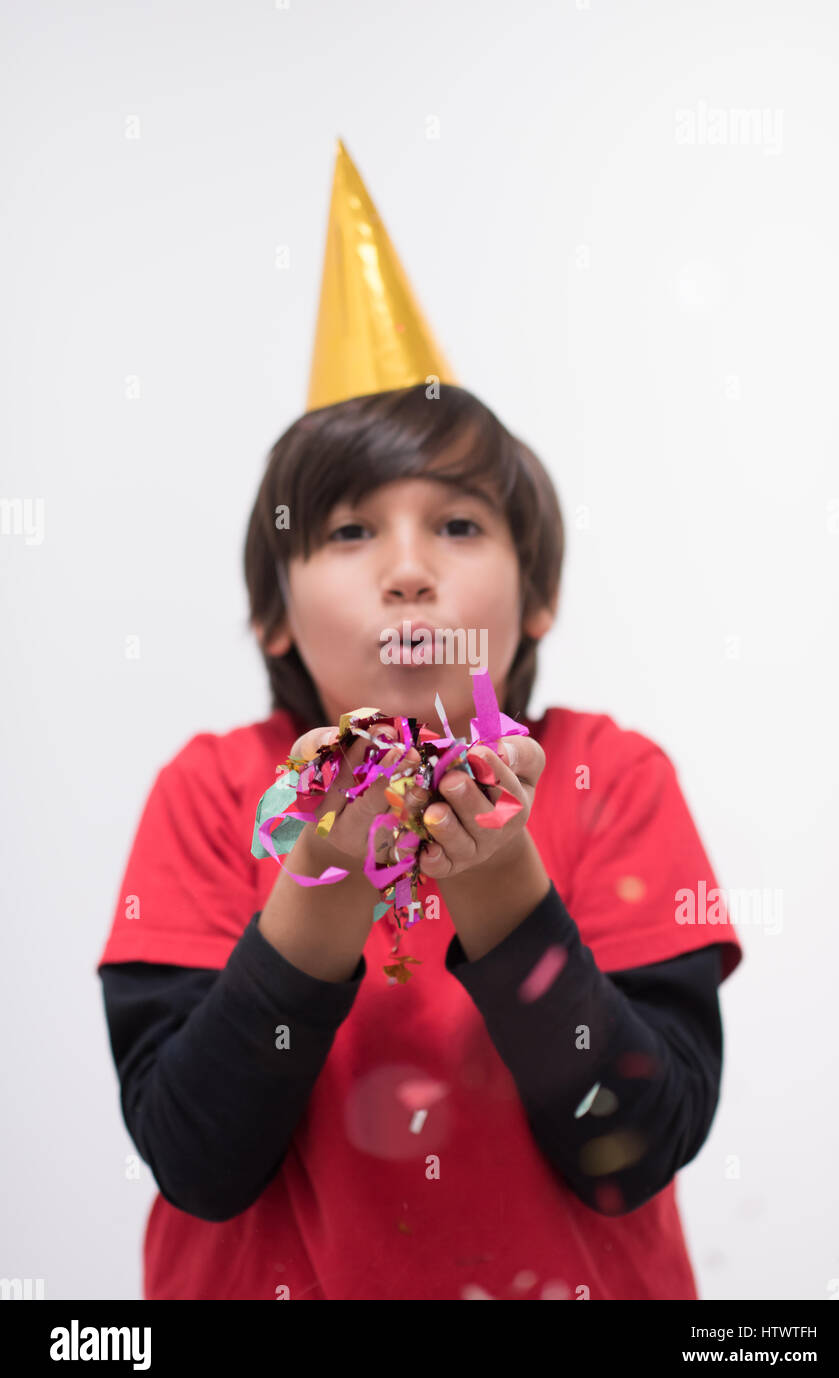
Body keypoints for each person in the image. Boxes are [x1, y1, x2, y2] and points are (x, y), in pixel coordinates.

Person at [96, 380, 743, 1300]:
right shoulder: (208, 792)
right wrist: (322, 867)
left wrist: (501, 875)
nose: (408, 572)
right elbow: (198, 1161)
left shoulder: (613, 778)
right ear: (274, 614)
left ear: (538, 596)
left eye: (459, 526)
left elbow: (633, 1147)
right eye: (351, 532)